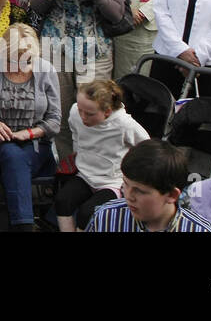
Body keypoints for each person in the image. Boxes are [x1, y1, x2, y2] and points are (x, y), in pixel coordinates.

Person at [30, 0, 129, 156]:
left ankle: (96, 165)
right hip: (55, 44)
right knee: (60, 110)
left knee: (92, 109)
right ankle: (66, 163)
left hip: (94, 46)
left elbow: (117, 12)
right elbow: (35, 5)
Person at [0, 23, 61, 229]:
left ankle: (22, 225)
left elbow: (55, 121)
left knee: (17, 157)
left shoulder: (46, 70)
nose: (20, 65)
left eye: (27, 60)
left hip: (36, 142)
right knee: (11, 154)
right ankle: (25, 225)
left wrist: (27, 134)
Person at [55, 79, 150, 231]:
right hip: (85, 174)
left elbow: (148, 148)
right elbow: (75, 133)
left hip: (112, 181)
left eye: (90, 114)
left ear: (107, 112)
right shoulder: (75, 112)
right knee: (62, 200)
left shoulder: (124, 124)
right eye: (80, 110)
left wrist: (132, 176)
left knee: (87, 213)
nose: (83, 117)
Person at [85, 139, 211, 232]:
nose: (128, 196)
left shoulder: (200, 230)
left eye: (140, 191)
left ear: (171, 195)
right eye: (125, 184)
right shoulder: (106, 217)